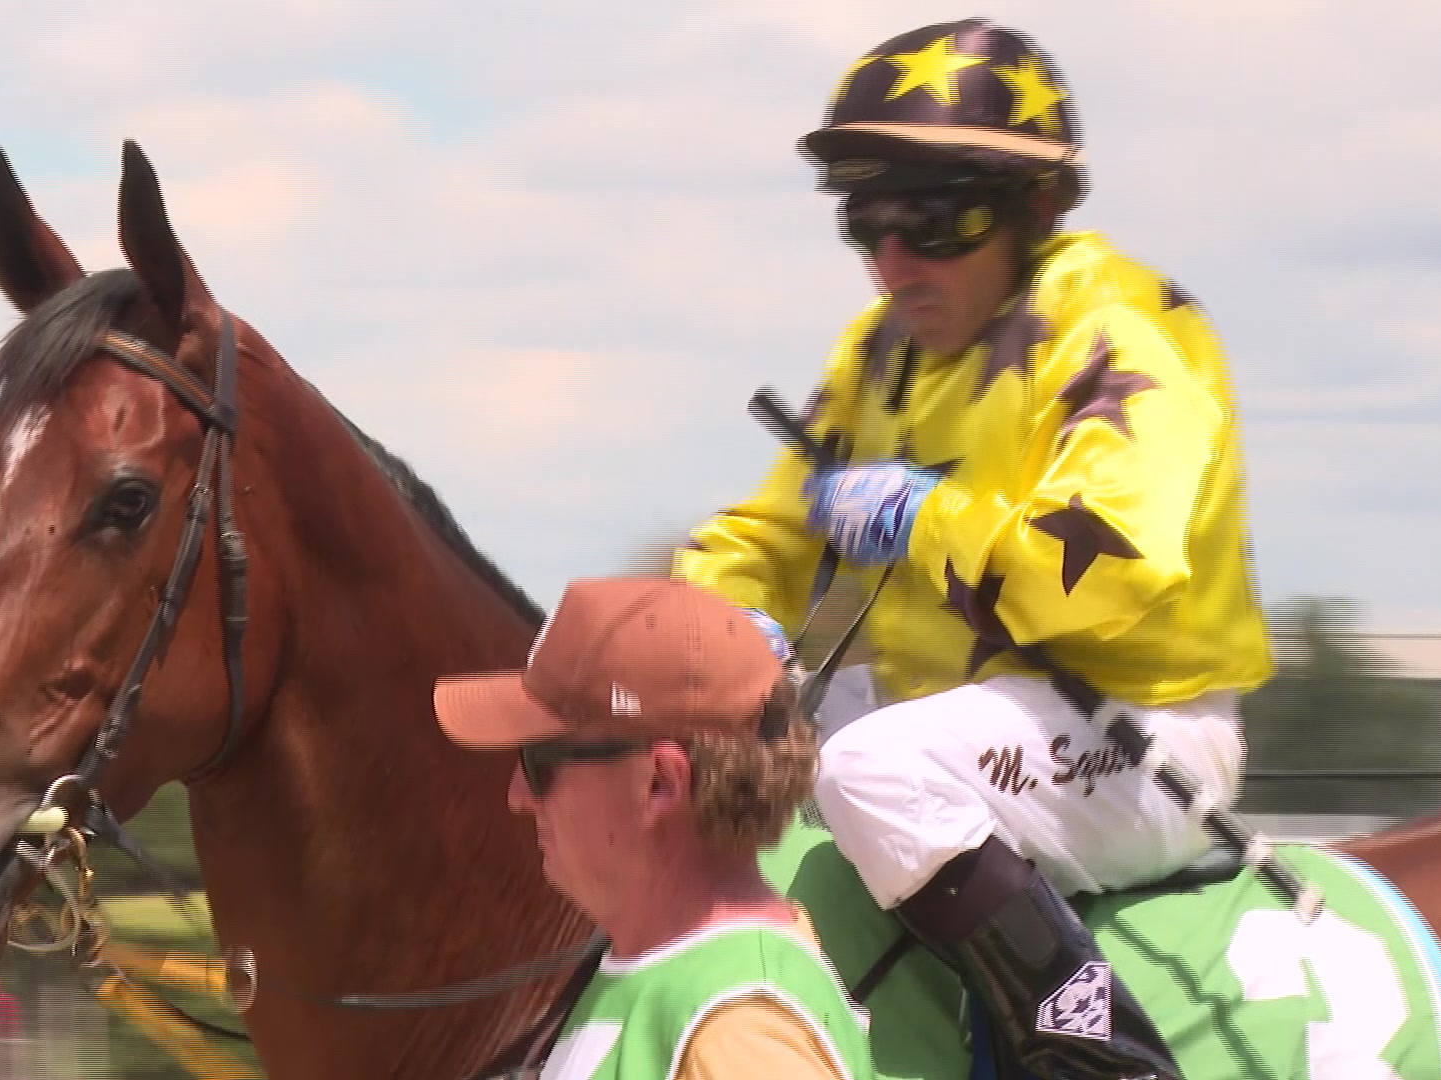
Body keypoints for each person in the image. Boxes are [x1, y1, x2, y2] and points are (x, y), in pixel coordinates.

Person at [673, 16, 1274, 1080]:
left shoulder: (1125, 329)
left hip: (1142, 734)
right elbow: (765, 532)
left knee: (869, 764)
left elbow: (1112, 568)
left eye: (934, 221)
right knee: (694, 763)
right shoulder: (881, 353)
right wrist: (718, 632)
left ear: (1033, 209)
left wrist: (924, 517)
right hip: (966, 727)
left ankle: (1096, 1054)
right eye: (866, 223)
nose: (891, 263)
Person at [433, 577, 875, 1080]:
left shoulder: (740, 1031)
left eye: (538, 760)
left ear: (658, 783)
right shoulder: (668, 969)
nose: (517, 796)